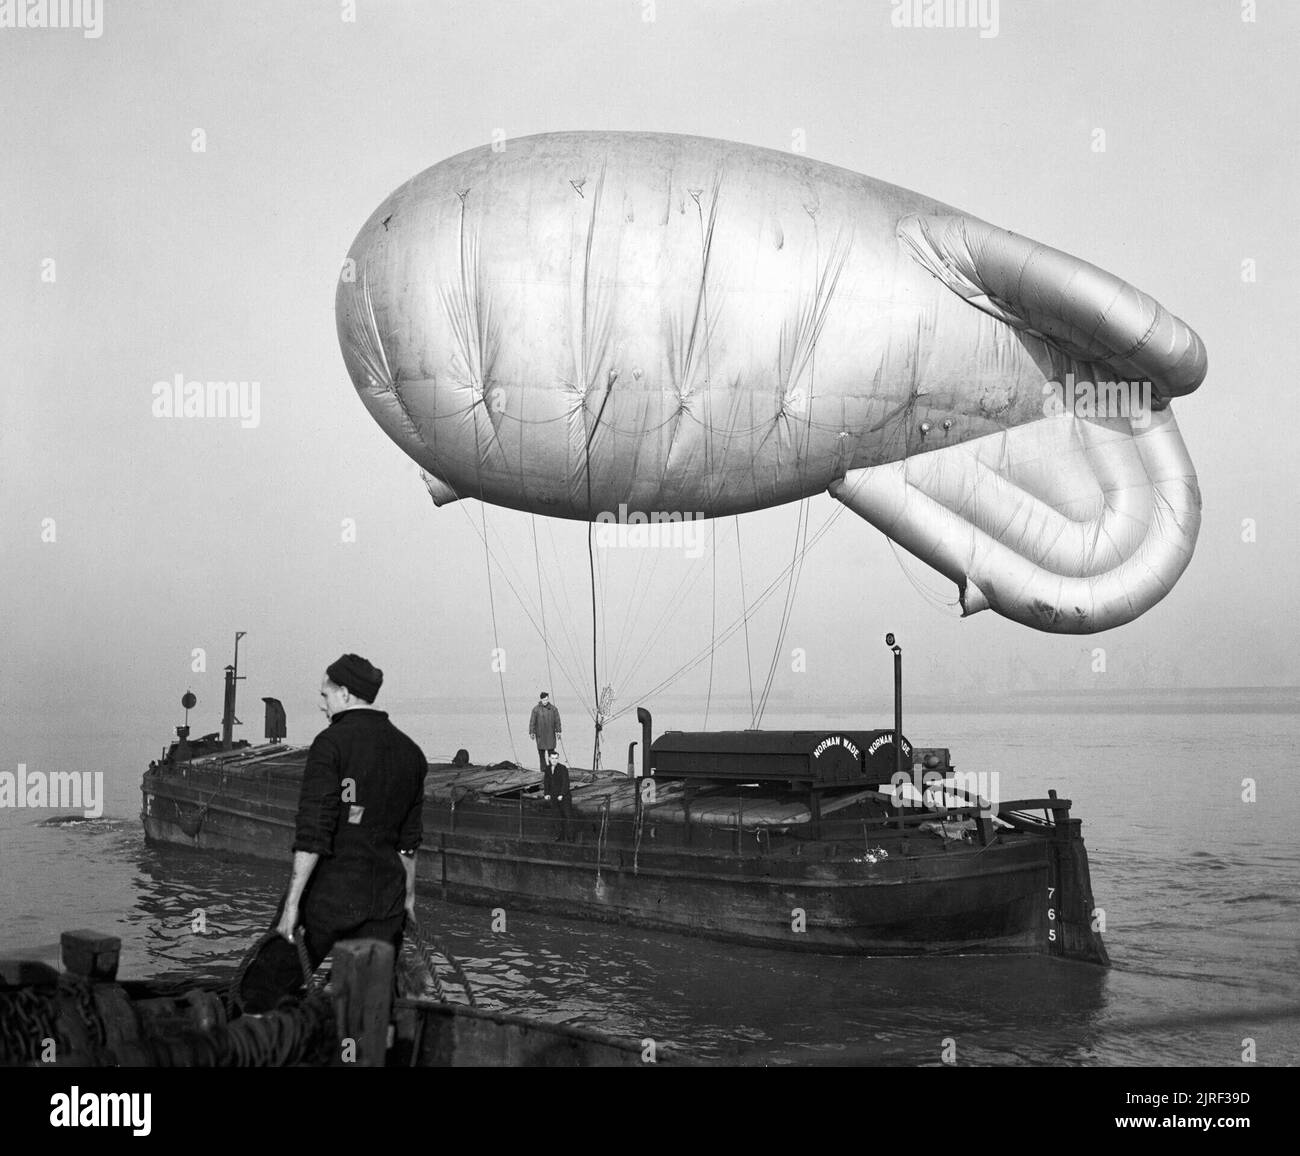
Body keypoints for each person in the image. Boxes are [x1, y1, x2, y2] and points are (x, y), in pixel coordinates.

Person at [267, 653, 428, 994]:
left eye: (325, 695)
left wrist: (292, 904)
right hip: (385, 904)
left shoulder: (330, 744)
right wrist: (408, 901)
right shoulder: (411, 752)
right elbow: (408, 844)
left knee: (261, 993)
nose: (322, 704)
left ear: (344, 693)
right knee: (361, 1007)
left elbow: (314, 832)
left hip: (329, 897)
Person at [528, 691, 562, 797]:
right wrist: (532, 732)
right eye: (544, 699)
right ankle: (543, 772)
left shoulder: (553, 709)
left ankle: (553, 770)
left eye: (547, 699)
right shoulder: (536, 709)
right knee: (541, 754)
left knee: (552, 753)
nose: (545, 701)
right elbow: (532, 721)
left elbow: (557, 720)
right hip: (540, 735)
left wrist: (558, 731)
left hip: (550, 735)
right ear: (541, 699)